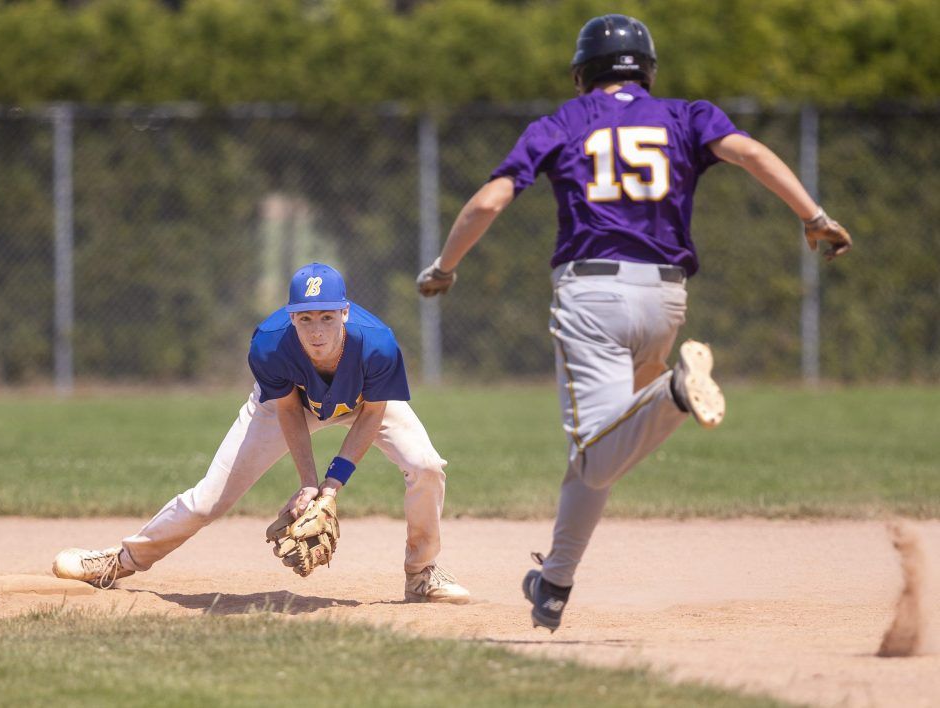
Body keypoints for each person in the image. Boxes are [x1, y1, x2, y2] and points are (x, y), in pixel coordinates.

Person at [416, 14, 851, 631]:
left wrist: (443, 267)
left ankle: (675, 392)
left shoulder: (563, 123)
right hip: (666, 300)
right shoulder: (686, 115)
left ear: (581, 73)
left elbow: (490, 199)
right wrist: (812, 214)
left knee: (596, 455)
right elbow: (750, 152)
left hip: (592, 298)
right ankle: (555, 583)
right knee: (603, 446)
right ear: (646, 70)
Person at [54, 262, 470, 604]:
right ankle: (121, 559)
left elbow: (372, 415)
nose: (318, 331)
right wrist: (308, 482)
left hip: (364, 404)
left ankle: (420, 573)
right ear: (292, 318)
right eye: (306, 319)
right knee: (206, 501)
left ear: (346, 313)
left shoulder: (378, 345)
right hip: (289, 404)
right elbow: (289, 410)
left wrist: (331, 486)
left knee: (427, 466)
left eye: (328, 316)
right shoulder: (271, 345)